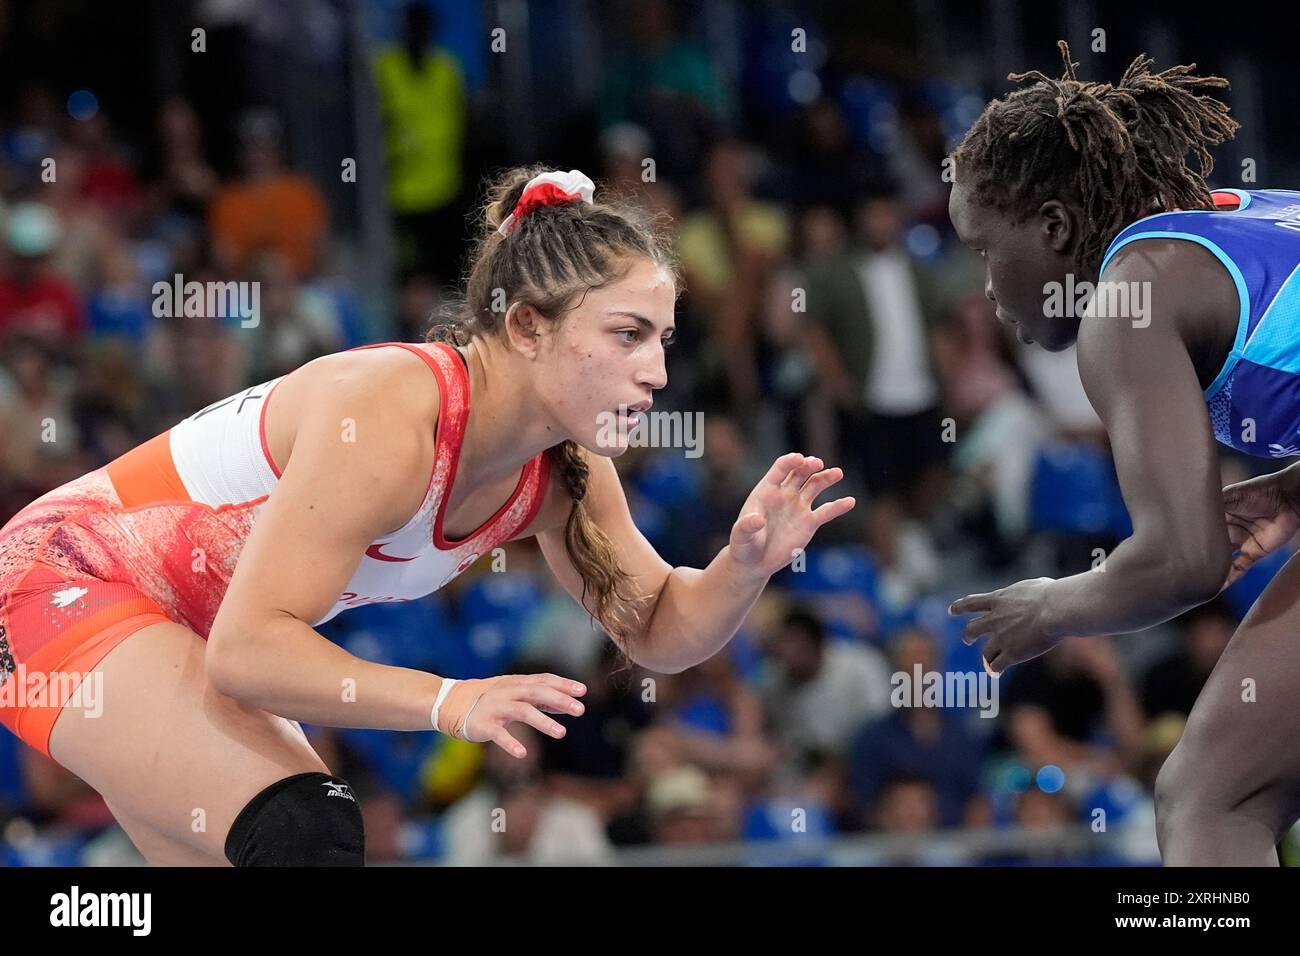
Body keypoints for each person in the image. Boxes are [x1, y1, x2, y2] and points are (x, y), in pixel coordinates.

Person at [0, 166, 855, 866]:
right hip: (52, 583)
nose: (658, 373)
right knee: (306, 831)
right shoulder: (389, 413)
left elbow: (659, 632)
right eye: (629, 334)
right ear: (525, 326)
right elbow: (250, 649)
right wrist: (451, 700)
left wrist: (744, 566)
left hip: (168, 631)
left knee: (300, 840)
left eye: (663, 340)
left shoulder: (562, 469)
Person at [945, 41, 1300, 864]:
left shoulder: (1126, 301)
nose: (987, 290)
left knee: (1215, 799)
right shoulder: (1233, 218)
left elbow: (1183, 561)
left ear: (1056, 227)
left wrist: (1053, 607)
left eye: (983, 250)